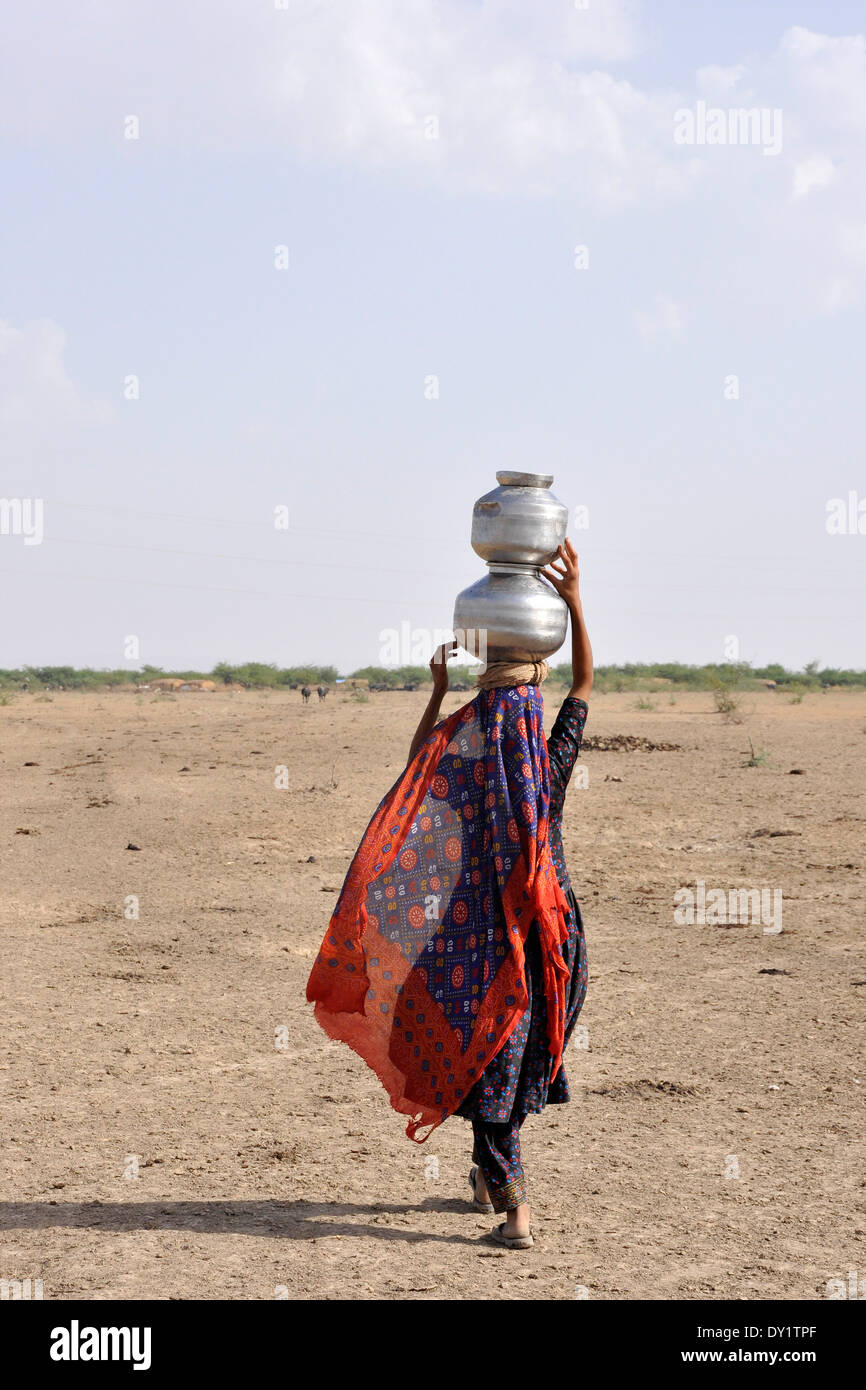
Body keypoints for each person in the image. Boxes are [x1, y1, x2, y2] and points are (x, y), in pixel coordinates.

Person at [307, 539, 592, 1250]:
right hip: (555, 941)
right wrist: (577, 600)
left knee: (489, 1062)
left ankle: (518, 1212)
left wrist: (438, 692)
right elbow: (583, 683)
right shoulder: (544, 770)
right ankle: (485, 1179)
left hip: (484, 946)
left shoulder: (468, 768)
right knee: (501, 1065)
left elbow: (414, 773)